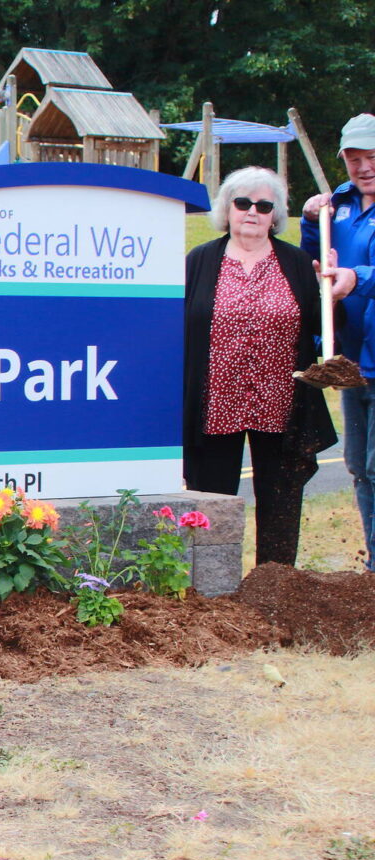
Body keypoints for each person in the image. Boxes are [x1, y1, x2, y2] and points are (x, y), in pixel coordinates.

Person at [183, 167, 336, 565]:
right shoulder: (199, 261)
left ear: (275, 215)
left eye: (264, 205)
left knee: (281, 505)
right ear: (227, 209)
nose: (252, 212)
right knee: (211, 507)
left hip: (282, 403)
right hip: (216, 402)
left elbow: (322, 326)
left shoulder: (298, 263)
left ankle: (275, 587)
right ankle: (211, 592)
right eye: (243, 203)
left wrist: (330, 292)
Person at [302, 113, 375, 569]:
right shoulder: (340, 205)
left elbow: (352, 275)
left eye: (372, 158)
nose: (364, 167)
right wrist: (313, 222)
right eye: (354, 159)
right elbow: (316, 263)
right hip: (352, 361)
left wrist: (356, 277)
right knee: (358, 467)